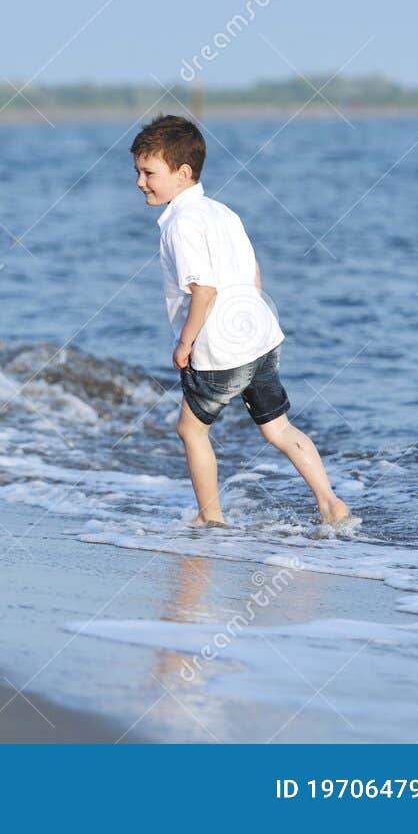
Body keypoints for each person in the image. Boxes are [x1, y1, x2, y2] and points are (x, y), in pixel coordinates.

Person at [130, 114, 352, 529]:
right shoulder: (223, 212)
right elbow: (254, 273)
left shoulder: (180, 224)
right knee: (278, 428)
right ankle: (331, 503)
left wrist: (184, 343)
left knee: (190, 430)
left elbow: (205, 290)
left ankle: (211, 517)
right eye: (138, 172)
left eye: (149, 172)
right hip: (259, 333)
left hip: (219, 346)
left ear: (182, 173)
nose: (141, 182)